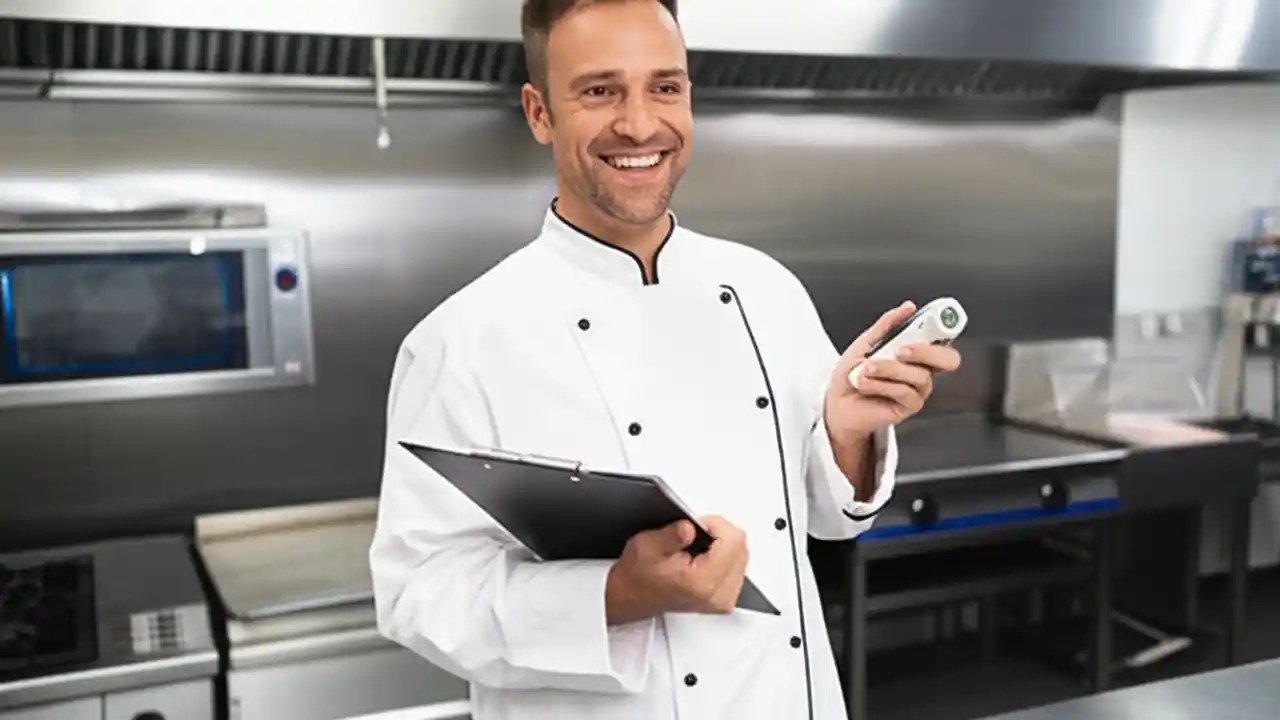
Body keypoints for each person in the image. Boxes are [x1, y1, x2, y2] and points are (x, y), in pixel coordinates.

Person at [369, 1, 962, 718]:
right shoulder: (461, 340)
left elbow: (830, 521)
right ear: (538, 112)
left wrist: (845, 436)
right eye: (600, 90)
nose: (641, 124)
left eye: (665, 87)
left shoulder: (764, 288)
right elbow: (417, 594)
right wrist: (617, 595)